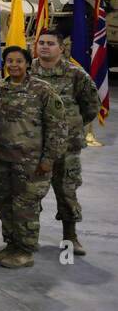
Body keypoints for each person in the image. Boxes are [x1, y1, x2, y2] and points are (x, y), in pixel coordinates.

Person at [0, 46, 67, 269]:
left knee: (26, 207)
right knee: (3, 204)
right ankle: (11, 245)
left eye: (18, 61)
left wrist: (48, 159)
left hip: (32, 163)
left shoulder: (42, 90)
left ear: (27, 63)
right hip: (2, 160)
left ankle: (25, 251)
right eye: (9, 61)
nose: (13, 65)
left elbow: (57, 128)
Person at [30, 27, 101, 254]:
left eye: (50, 43)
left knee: (67, 192)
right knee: (30, 193)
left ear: (61, 48)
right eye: (41, 42)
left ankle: (70, 238)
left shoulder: (75, 74)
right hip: (34, 145)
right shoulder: (27, 70)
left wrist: (69, 127)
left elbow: (91, 107)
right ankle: (28, 238)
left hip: (67, 148)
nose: (44, 46)